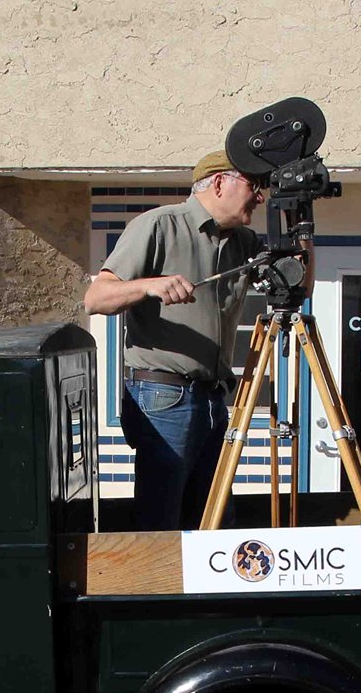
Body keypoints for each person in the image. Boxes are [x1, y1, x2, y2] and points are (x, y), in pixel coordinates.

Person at [84, 150, 268, 530]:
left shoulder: (245, 242)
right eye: (254, 185)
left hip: (215, 397)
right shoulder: (158, 225)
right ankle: (156, 590)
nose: (261, 197)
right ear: (220, 182)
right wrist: (151, 285)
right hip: (164, 399)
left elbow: (298, 284)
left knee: (215, 519)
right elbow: (96, 299)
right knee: (162, 522)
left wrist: (303, 228)